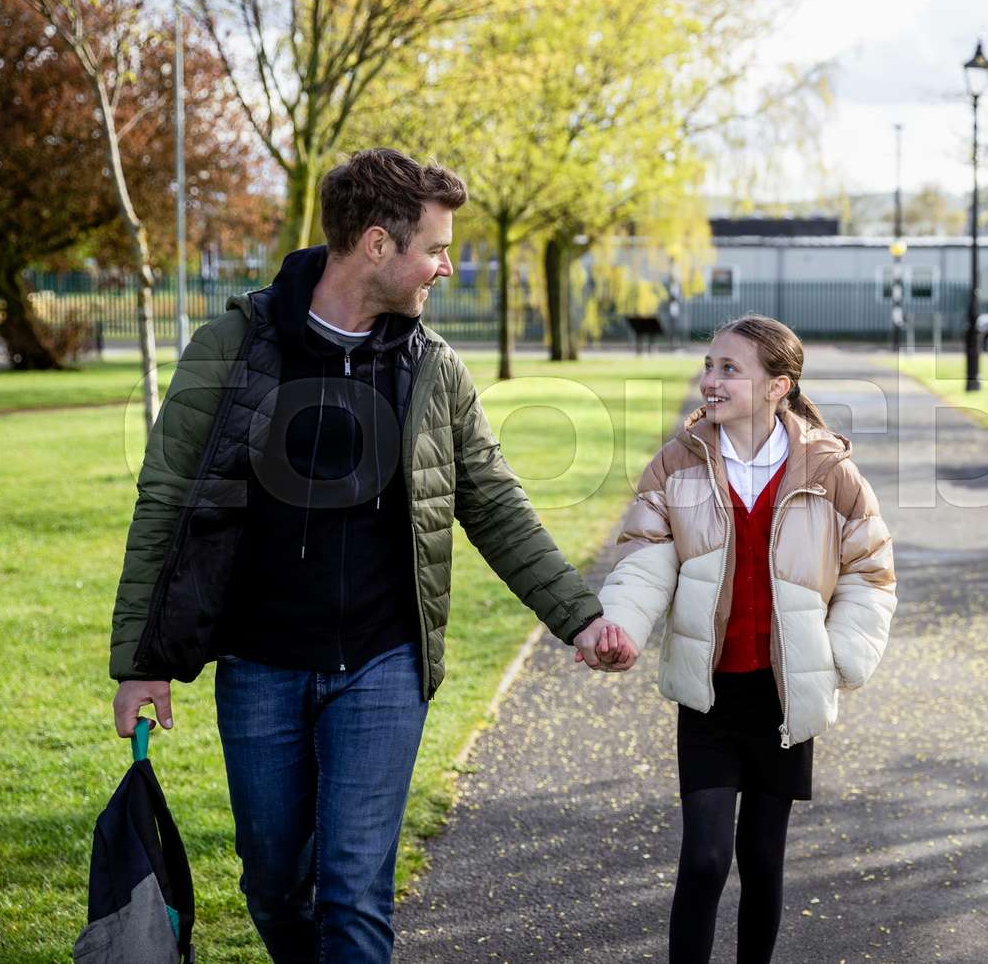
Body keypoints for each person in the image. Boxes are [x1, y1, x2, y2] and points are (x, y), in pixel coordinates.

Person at [106, 147, 631, 962]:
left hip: (384, 664)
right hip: (260, 661)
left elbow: (492, 501)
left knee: (354, 892)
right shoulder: (234, 344)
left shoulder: (432, 370)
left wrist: (580, 616)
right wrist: (140, 661)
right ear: (379, 246)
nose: (446, 267)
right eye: (435, 248)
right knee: (274, 886)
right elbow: (166, 499)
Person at [593, 313, 898, 964]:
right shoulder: (680, 462)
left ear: (777, 385)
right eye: (709, 365)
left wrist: (840, 655)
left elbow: (871, 571)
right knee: (704, 858)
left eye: (730, 368)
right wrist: (620, 622)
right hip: (710, 697)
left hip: (784, 698)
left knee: (762, 859)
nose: (710, 380)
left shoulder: (830, 470)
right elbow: (647, 554)